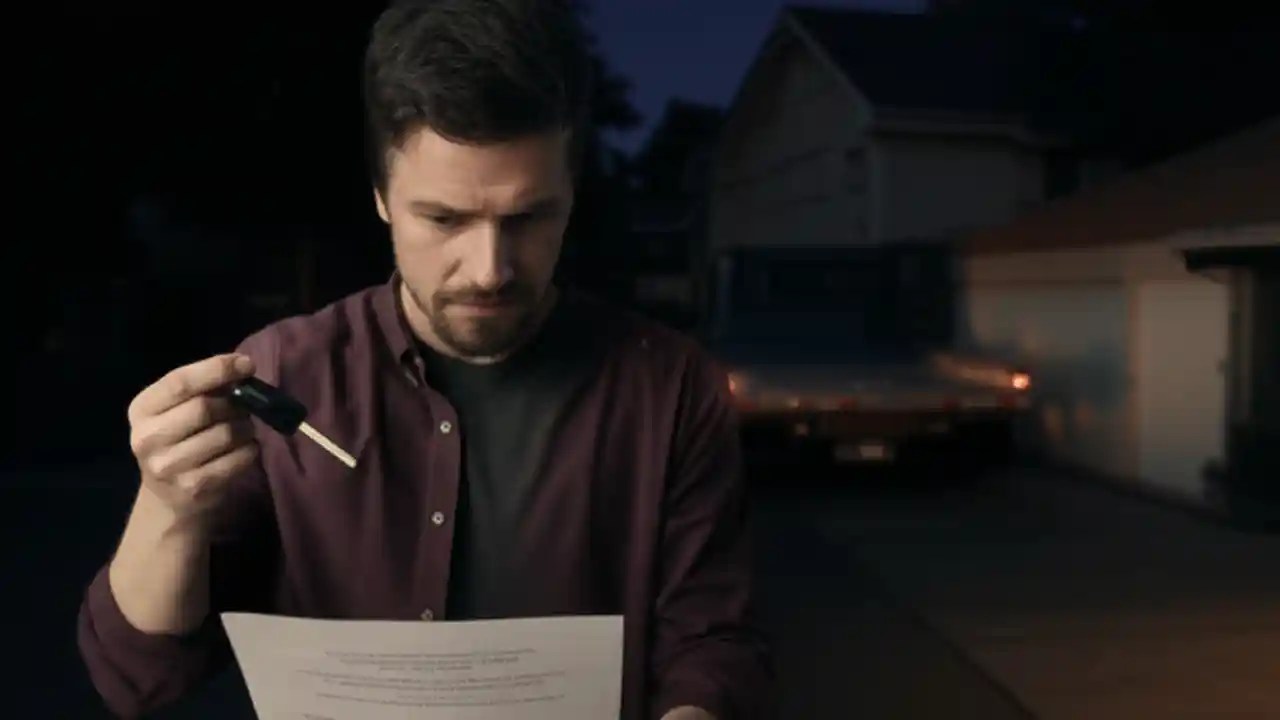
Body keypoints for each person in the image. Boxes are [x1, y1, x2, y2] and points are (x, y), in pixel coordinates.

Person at [76, 1, 774, 718]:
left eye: (529, 217)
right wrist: (167, 506)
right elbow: (138, 675)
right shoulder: (285, 373)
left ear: (571, 195)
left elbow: (713, 645)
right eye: (444, 219)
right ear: (382, 197)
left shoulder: (671, 387)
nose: (490, 269)